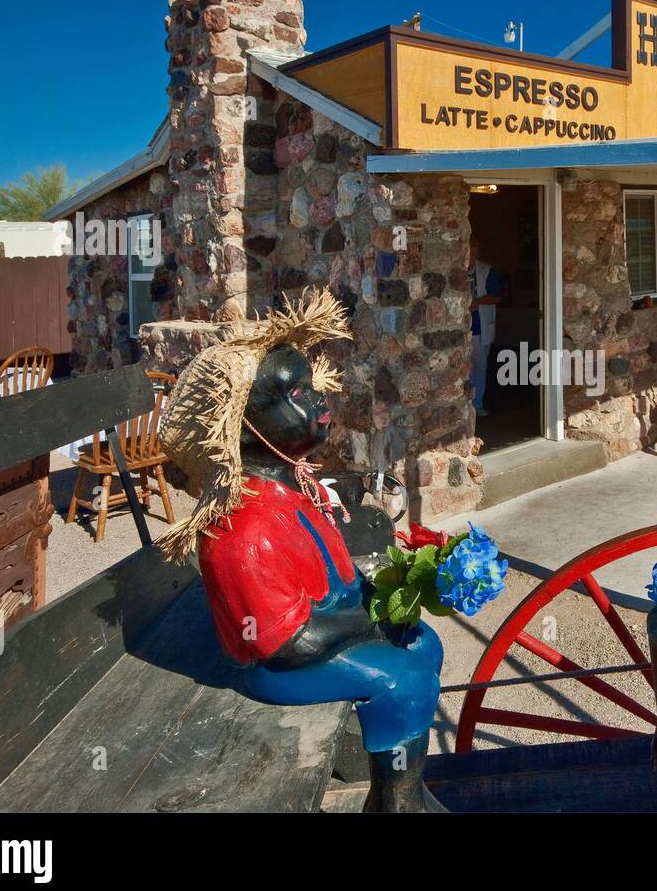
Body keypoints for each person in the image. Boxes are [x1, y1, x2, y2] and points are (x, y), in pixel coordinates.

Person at [156, 290, 444, 812]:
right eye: (297, 393)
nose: (318, 401)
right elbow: (287, 643)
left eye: (312, 387)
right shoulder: (239, 529)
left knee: (424, 643)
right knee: (400, 678)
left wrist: (390, 598)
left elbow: (343, 583)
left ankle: (399, 781)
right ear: (244, 424)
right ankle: (394, 804)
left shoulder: (298, 492)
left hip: (326, 630)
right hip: (275, 668)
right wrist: (371, 624)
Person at [467, 239, 502, 417]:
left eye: (472, 249)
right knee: (464, 367)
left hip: (480, 327)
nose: (469, 254)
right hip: (462, 329)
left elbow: (496, 296)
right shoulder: (458, 269)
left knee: (479, 367)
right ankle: (464, 404)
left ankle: (477, 403)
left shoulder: (485, 270)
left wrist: (478, 302)